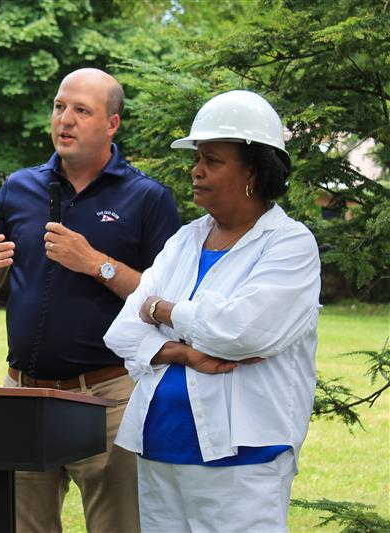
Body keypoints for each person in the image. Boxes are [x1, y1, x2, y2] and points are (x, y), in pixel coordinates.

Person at [0, 68, 181, 533]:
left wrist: (96, 263)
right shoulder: (18, 188)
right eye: (60, 107)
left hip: (109, 399)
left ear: (112, 124)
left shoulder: (147, 198)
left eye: (82, 110)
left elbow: (169, 302)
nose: (66, 119)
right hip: (23, 395)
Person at [103, 90, 320, 532]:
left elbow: (240, 333)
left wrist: (161, 309)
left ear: (254, 171)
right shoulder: (184, 240)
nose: (196, 170)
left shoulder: (290, 244)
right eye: (197, 158)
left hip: (245, 460)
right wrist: (185, 352)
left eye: (213, 160)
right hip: (158, 449)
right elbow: (122, 332)